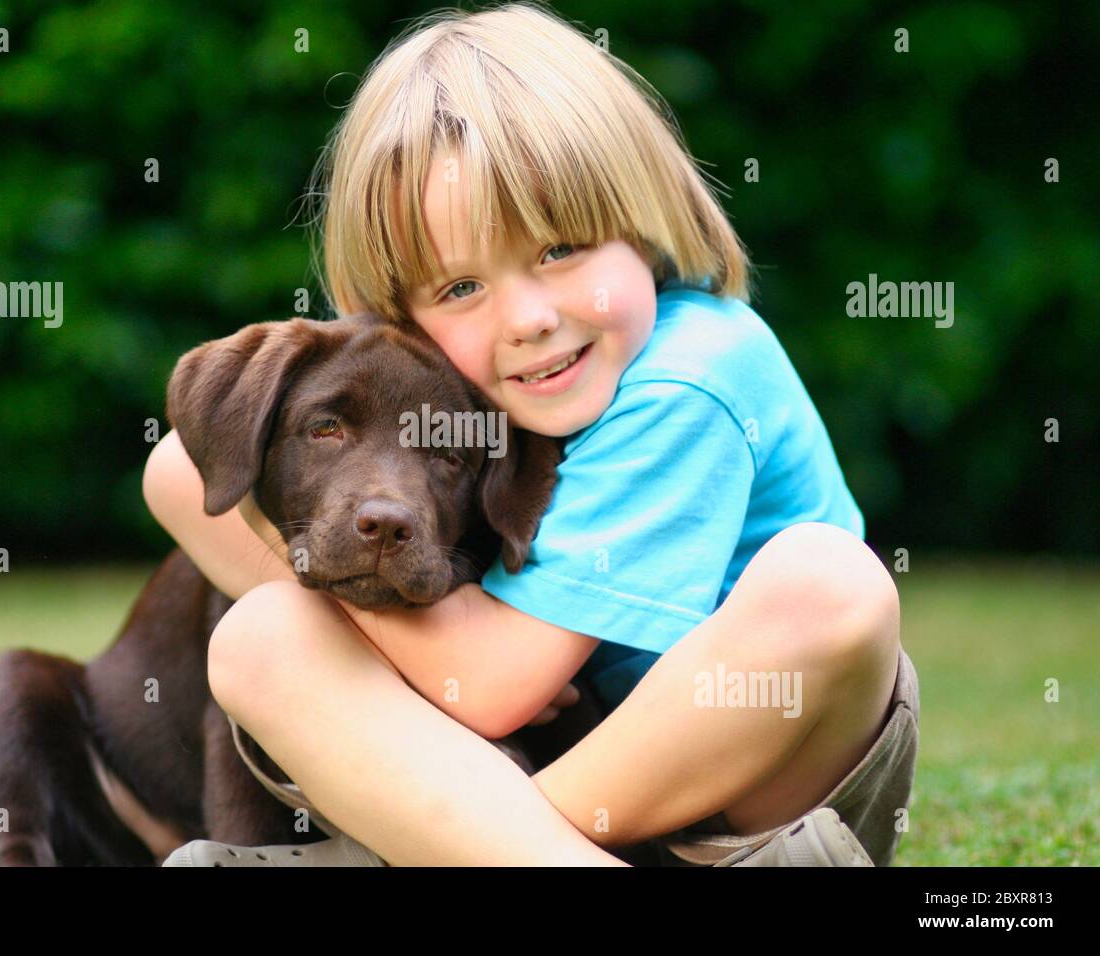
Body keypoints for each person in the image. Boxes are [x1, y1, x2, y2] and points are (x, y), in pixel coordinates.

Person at [148, 2, 918, 867]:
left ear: (645, 217)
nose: (528, 318)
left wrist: (292, 544)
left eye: (559, 252)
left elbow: (486, 686)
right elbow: (175, 468)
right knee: (259, 640)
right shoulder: (473, 398)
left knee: (833, 583)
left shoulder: (692, 374)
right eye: (460, 289)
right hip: (541, 787)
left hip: (759, 814)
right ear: (403, 315)